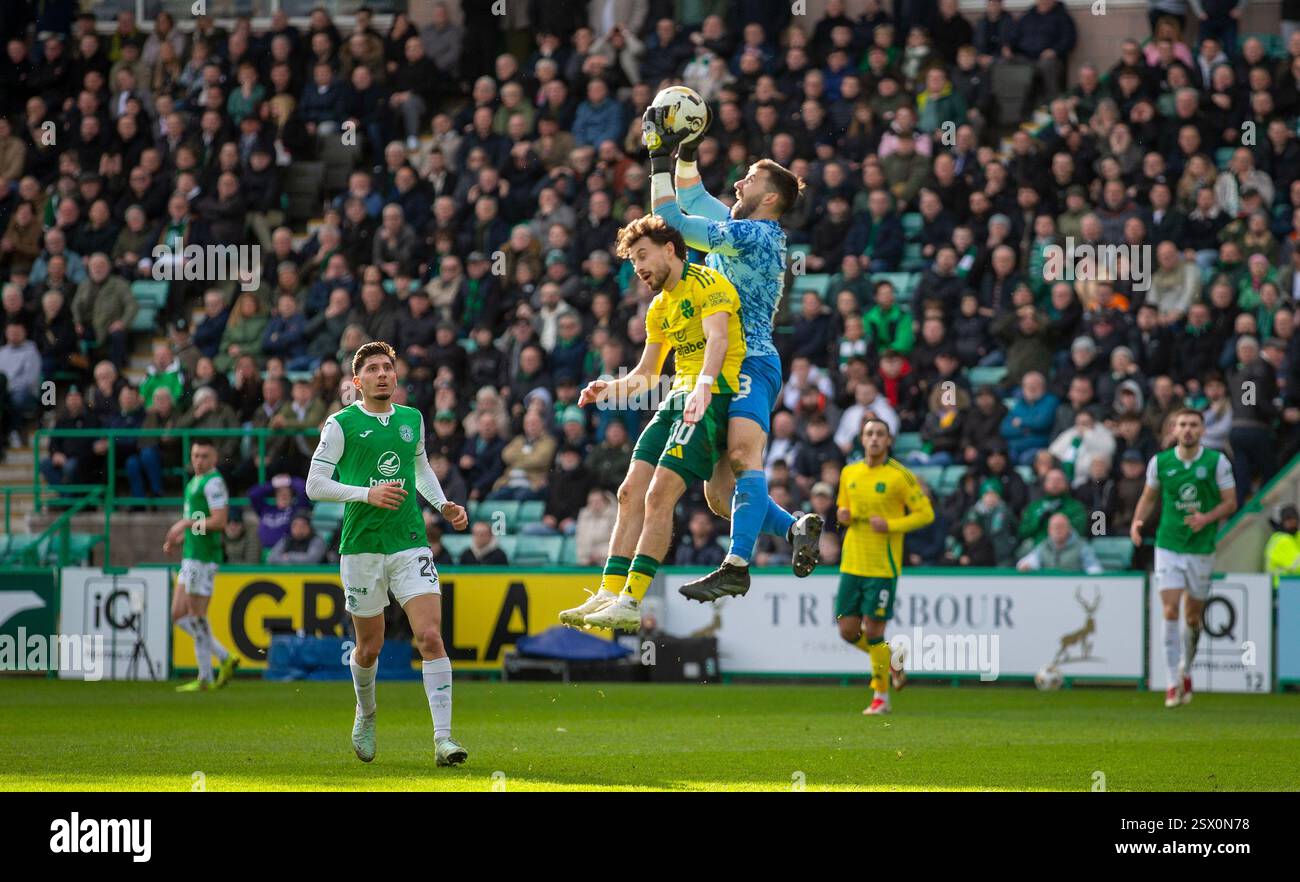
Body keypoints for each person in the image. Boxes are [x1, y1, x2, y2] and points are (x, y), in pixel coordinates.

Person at [646, 101, 822, 601]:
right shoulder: (742, 228)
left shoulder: (754, 236)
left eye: (749, 179)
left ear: (771, 198)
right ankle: (794, 528)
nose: (739, 184)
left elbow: (671, 220)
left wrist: (657, 158)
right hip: (723, 364)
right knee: (721, 495)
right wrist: (687, 151)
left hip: (750, 360)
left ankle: (736, 565)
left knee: (745, 456)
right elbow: (692, 196)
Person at [559, 216, 744, 631]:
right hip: (676, 398)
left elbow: (718, 339)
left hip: (711, 397)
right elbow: (646, 374)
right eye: (632, 262)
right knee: (629, 492)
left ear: (670, 249)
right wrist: (608, 388)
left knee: (660, 495)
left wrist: (704, 387)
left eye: (643, 256)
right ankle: (608, 592)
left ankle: (631, 601)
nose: (638, 268)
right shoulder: (659, 307)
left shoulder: (709, 284)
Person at [305, 341, 470, 767]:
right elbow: (314, 485)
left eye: (387, 368)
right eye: (373, 369)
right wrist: (367, 493)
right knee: (369, 647)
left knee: (430, 637)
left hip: (409, 541)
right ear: (357, 381)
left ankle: (444, 740)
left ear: (396, 376)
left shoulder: (412, 419)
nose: (382, 374)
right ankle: (366, 711)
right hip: (361, 547)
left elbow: (420, 466)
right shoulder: (340, 424)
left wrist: (442, 504)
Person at [1130, 408, 1237, 708]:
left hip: (1201, 547)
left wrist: (1207, 518)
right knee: (1169, 610)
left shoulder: (1217, 462)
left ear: (1203, 430)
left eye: (1193, 424)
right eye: (1183, 424)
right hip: (1168, 544)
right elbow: (1149, 497)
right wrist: (1137, 522)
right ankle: (1170, 682)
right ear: (1174, 430)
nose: (1188, 429)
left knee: (1192, 618)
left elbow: (1231, 503)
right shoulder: (1160, 462)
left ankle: (1185, 669)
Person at [835, 418, 935, 715]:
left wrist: (891, 525)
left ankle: (880, 697)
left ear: (889, 440)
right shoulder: (849, 472)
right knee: (847, 630)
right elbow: (842, 509)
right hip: (852, 562)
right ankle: (892, 658)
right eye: (869, 434)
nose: (874, 438)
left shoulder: (900, 476)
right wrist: (842, 516)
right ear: (862, 439)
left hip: (882, 566)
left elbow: (925, 514)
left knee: (874, 631)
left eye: (880, 434)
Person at [163, 439, 239, 692]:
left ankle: (206, 675)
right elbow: (199, 523)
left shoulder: (213, 483)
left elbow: (219, 521)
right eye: (196, 455)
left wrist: (185, 525)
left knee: (196, 616)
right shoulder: (194, 482)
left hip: (203, 558)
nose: (199, 460)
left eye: (205, 456)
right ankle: (222, 658)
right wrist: (180, 540)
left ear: (214, 458)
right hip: (191, 554)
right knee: (178, 615)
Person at [1016, 513, 1103, 573]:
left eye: (1060, 527)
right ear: (1049, 530)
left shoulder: (1082, 546)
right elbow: (1029, 561)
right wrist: (1026, 565)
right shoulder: (1044, 546)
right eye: (1054, 527)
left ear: (1069, 528)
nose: (1057, 530)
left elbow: (1094, 568)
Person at [1263, 504, 1300, 584]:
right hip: (1281, 586)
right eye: (1288, 520)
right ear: (1281, 522)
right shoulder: (1281, 540)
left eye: (1295, 519)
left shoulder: (1295, 536)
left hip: (1292, 584)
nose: (1292, 523)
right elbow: (1297, 565)